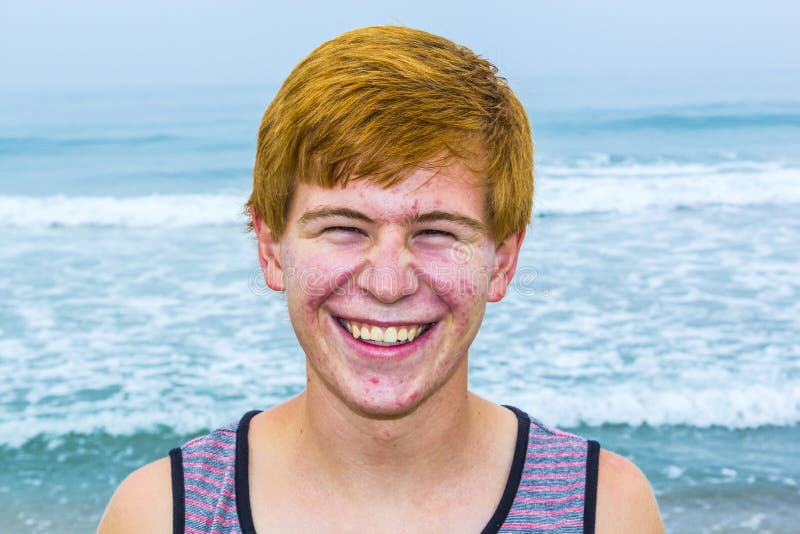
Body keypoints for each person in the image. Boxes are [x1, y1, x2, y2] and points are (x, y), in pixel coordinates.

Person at [98, 26, 663, 533]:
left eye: (438, 232)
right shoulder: (161, 514)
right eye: (345, 227)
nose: (389, 284)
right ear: (271, 250)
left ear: (503, 261)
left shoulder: (606, 510)